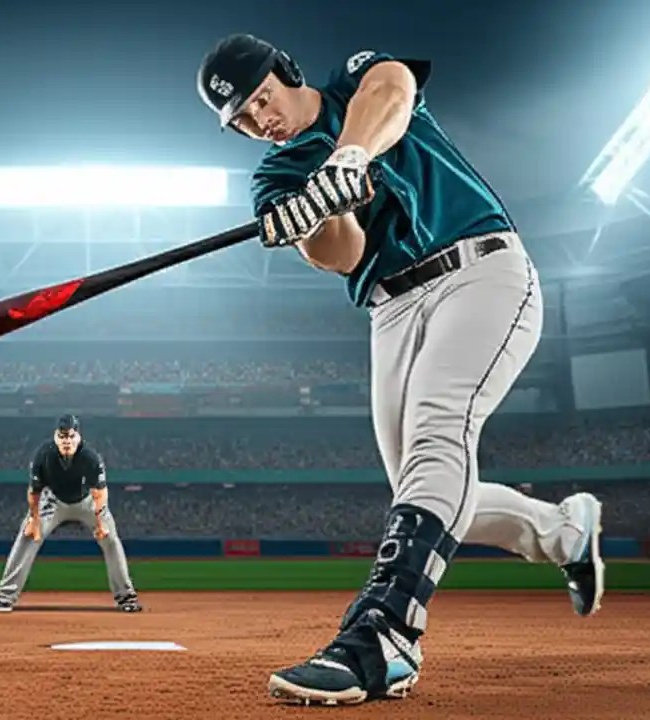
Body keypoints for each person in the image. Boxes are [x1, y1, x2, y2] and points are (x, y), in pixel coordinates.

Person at [196, 34, 605, 705]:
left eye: (261, 98)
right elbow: (345, 256)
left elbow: (393, 91)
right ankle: (565, 531)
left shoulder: (354, 83)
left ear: (284, 71)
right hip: (391, 310)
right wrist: (320, 212)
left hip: (479, 270)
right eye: (241, 119)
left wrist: (348, 158)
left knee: (438, 440)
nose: (258, 120)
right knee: (424, 491)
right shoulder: (274, 179)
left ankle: (383, 636)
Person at [0, 414, 141, 613]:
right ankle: (4, 597)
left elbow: (100, 492)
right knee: (27, 536)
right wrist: (33, 519)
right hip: (53, 501)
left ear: (78, 437)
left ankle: (126, 597)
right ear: (56, 437)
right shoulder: (44, 455)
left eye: (71, 436)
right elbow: (34, 492)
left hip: (87, 501)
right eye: (62, 436)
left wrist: (101, 521)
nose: (66, 440)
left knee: (110, 539)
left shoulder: (89, 457)